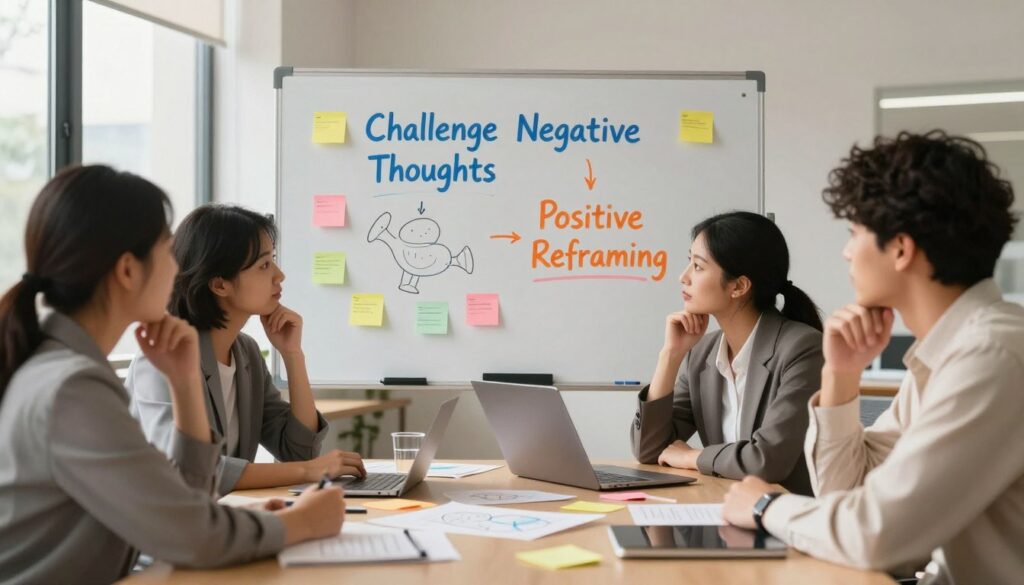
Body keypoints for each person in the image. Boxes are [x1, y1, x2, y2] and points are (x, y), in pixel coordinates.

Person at [0, 165, 344, 584]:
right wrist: (302, 523)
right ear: (128, 271)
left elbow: (187, 504)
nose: (178, 267)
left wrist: (184, 385)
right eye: (166, 251)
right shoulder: (72, 387)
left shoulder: (67, 370)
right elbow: (193, 537)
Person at [723, 131, 1024, 584]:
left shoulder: (992, 355)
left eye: (854, 233)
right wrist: (843, 375)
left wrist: (766, 506)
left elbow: (876, 536)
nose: (846, 251)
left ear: (900, 249)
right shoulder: (949, 354)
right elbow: (847, 494)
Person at [128, 204, 365, 495]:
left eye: (273, 261)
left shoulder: (246, 353)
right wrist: (308, 471)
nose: (280, 275)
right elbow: (195, 471)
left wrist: (293, 355)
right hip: (156, 532)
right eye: (264, 265)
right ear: (219, 284)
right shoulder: (162, 359)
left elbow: (298, 450)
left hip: (219, 518)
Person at [630, 211, 824, 495]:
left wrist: (691, 457)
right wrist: (670, 356)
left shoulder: (802, 349)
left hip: (786, 522)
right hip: (724, 513)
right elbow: (649, 449)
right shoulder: (703, 353)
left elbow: (766, 462)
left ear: (739, 286)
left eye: (698, 266)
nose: (683, 277)